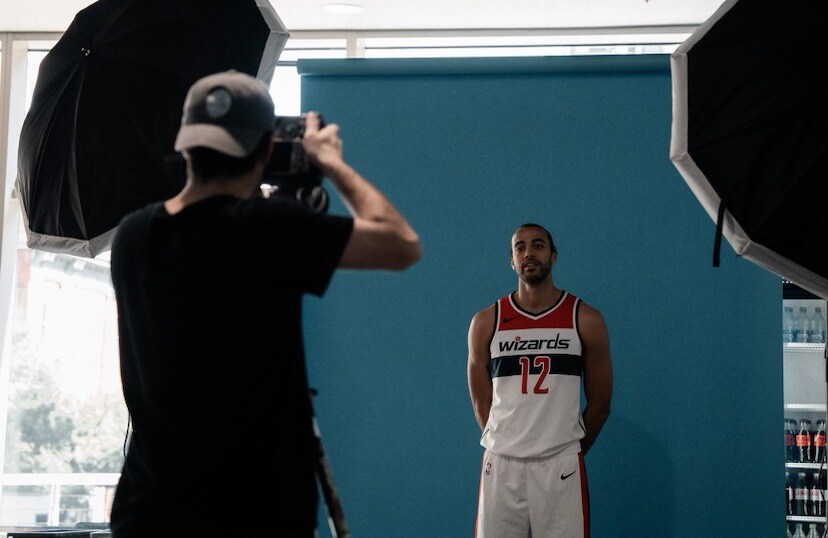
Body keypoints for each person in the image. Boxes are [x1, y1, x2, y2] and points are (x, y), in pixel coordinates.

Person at [109, 71, 420, 537]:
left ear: (186, 145)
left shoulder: (133, 235)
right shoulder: (269, 230)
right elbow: (401, 244)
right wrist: (330, 162)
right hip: (254, 511)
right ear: (264, 151)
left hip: (148, 512)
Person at [467, 223, 612, 538]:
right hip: (502, 465)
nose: (529, 253)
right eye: (520, 247)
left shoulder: (584, 319)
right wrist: (507, 441)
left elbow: (600, 405)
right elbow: (481, 401)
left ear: (554, 256)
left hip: (560, 464)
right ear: (512, 260)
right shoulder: (486, 321)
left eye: (538, 245)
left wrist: (566, 447)